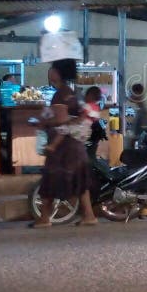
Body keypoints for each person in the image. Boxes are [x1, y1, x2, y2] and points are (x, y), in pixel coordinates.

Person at [31, 58, 98, 228]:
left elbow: (60, 119)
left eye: (52, 68)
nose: (50, 72)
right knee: (79, 181)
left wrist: (43, 123)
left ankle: (45, 218)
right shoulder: (71, 91)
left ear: (58, 72)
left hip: (64, 146)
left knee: (51, 179)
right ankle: (89, 216)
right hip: (74, 145)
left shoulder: (61, 93)